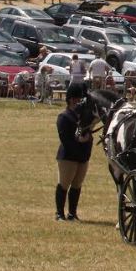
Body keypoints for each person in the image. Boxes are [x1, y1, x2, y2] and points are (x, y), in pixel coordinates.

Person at [55, 83, 92, 221]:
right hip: (68, 157)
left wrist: (87, 142)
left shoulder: (83, 117)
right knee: (64, 184)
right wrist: (79, 142)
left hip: (82, 156)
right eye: (78, 98)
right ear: (71, 99)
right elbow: (65, 139)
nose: (80, 101)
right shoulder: (64, 117)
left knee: (77, 185)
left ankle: (72, 213)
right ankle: (59, 213)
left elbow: (89, 134)